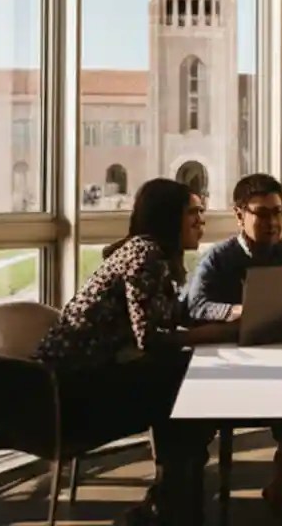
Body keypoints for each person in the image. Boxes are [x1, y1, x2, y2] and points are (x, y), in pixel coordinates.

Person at [34, 178, 228, 526]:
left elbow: (177, 316)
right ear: (170, 217)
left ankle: (169, 504)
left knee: (182, 391)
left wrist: (232, 315)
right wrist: (220, 334)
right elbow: (151, 338)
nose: (202, 221)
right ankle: (172, 505)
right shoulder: (145, 254)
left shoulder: (148, 252)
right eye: (193, 212)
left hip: (70, 384)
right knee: (184, 392)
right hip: (67, 396)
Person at [181, 173, 282, 514]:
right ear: (239, 215)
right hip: (233, 365)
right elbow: (196, 306)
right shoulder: (218, 259)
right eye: (262, 214)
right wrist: (240, 311)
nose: (273, 221)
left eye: (278, 212)